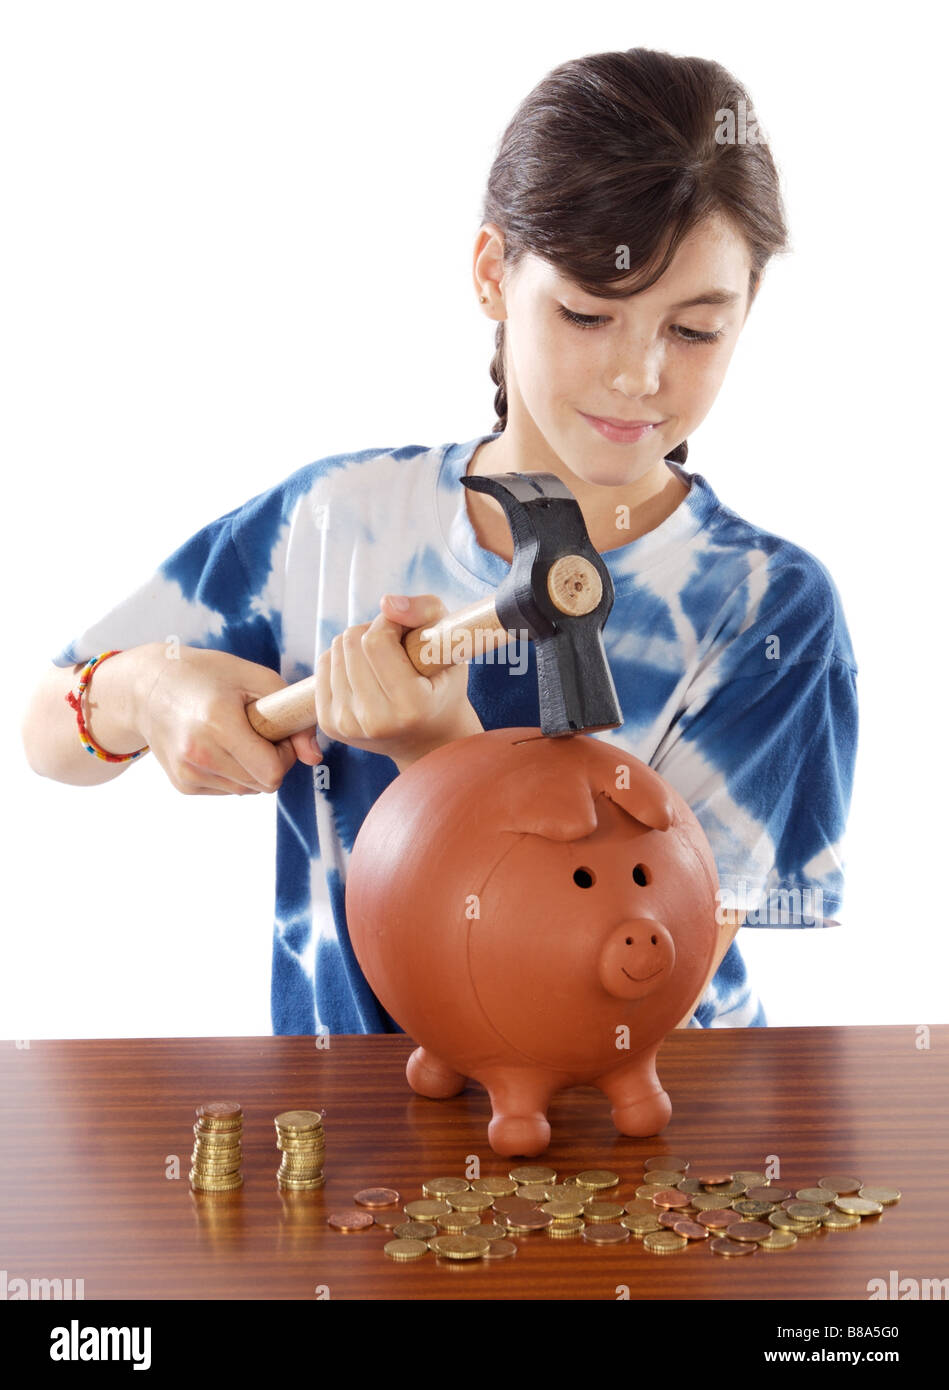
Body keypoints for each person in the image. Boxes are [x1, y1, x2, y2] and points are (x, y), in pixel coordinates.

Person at [21, 47, 857, 1036]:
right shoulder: (333, 518)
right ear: (494, 274)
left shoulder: (768, 609)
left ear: (747, 308)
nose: (639, 377)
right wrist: (147, 691)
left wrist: (438, 751)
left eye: (694, 331)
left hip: (642, 1151)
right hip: (352, 1134)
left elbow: (642, 975)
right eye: (589, 314)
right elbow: (46, 731)